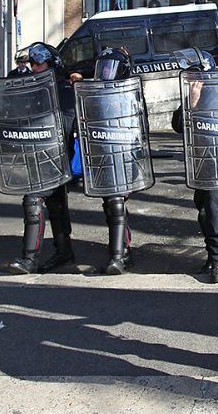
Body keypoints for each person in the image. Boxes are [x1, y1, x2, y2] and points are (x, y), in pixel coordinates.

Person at [7, 42, 78, 274]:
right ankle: (64, 250)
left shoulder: (65, 91)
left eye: (38, 64)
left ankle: (29, 258)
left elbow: (66, 126)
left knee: (33, 200)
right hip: (34, 155)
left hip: (55, 156)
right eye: (32, 64)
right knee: (56, 205)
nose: (33, 68)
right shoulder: (30, 89)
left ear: (52, 64)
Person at [171, 52, 218, 284]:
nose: (193, 80)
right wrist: (190, 102)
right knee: (204, 210)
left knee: (214, 208)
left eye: (197, 75)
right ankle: (211, 255)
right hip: (199, 162)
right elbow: (177, 125)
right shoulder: (191, 97)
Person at [92, 47, 137, 275]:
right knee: (110, 206)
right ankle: (124, 248)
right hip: (102, 155)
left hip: (123, 156)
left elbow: (138, 129)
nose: (107, 72)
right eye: (104, 67)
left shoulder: (129, 94)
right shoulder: (95, 93)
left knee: (116, 203)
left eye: (111, 68)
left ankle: (117, 257)